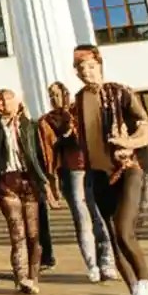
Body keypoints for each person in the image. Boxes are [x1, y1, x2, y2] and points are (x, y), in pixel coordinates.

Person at [70, 44, 148, 295]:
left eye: (91, 66)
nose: (86, 72)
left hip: (128, 168)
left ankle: (145, 289)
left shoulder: (120, 92)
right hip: (97, 175)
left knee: (124, 231)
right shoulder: (79, 99)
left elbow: (146, 127)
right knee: (112, 237)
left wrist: (129, 143)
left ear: (100, 65)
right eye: (81, 68)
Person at [0, 90, 54, 295]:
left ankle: (33, 276)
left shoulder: (30, 126)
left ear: (18, 101)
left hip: (30, 182)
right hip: (7, 182)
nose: (3, 102)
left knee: (33, 234)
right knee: (17, 233)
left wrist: (47, 183)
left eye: (7, 98)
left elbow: (40, 156)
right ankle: (21, 278)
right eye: (0, 99)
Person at [39, 82, 117, 283]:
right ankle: (92, 265)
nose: (55, 99)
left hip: (93, 168)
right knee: (82, 219)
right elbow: (49, 148)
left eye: (58, 94)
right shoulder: (47, 121)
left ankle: (107, 262)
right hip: (70, 171)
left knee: (100, 217)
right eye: (51, 95)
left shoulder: (78, 113)